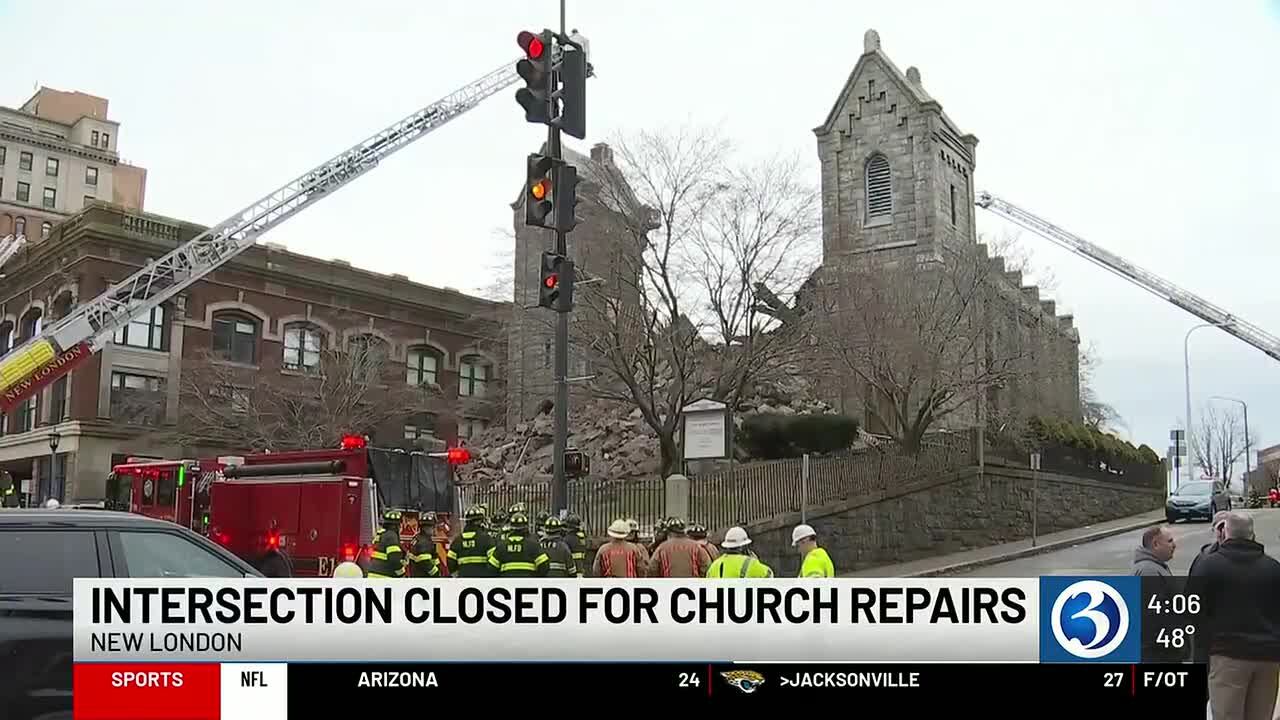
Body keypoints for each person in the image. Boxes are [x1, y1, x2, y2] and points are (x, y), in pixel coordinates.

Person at [1190, 512, 1280, 720]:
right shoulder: (1273, 568)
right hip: (1268, 657)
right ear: (1252, 534)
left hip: (1228, 655)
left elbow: (1193, 610)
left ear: (1225, 532)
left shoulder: (1208, 565)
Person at [488, 512, 549, 578]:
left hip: (507, 584)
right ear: (525, 528)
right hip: (528, 584)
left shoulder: (502, 545)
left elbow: (491, 568)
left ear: (511, 528)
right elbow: (544, 566)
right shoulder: (533, 545)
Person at [447, 505, 498, 577]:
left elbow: (450, 562)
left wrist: (457, 575)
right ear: (480, 521)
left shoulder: (457, 541)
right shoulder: (486, 539)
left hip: (463, 580)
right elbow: (494, 563)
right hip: (482, 581)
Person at [706, 527, 774, 578]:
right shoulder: (750, 563)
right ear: (743, 546)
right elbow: (769, 575)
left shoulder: (714, 565)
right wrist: (755, 560)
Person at [364, 510, 407, 578]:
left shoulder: (381, 534)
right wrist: (402, 573)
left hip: (374, 575)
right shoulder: (391, 536)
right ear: (398, 525)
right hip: (384, 577)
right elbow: (394, 559)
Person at [1188, 511, 1230, 576]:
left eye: (1226, 527)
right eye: (1221, 527)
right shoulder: (1204, 555)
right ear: (1213, 529)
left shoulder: (1204, 556)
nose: (1223, 532)